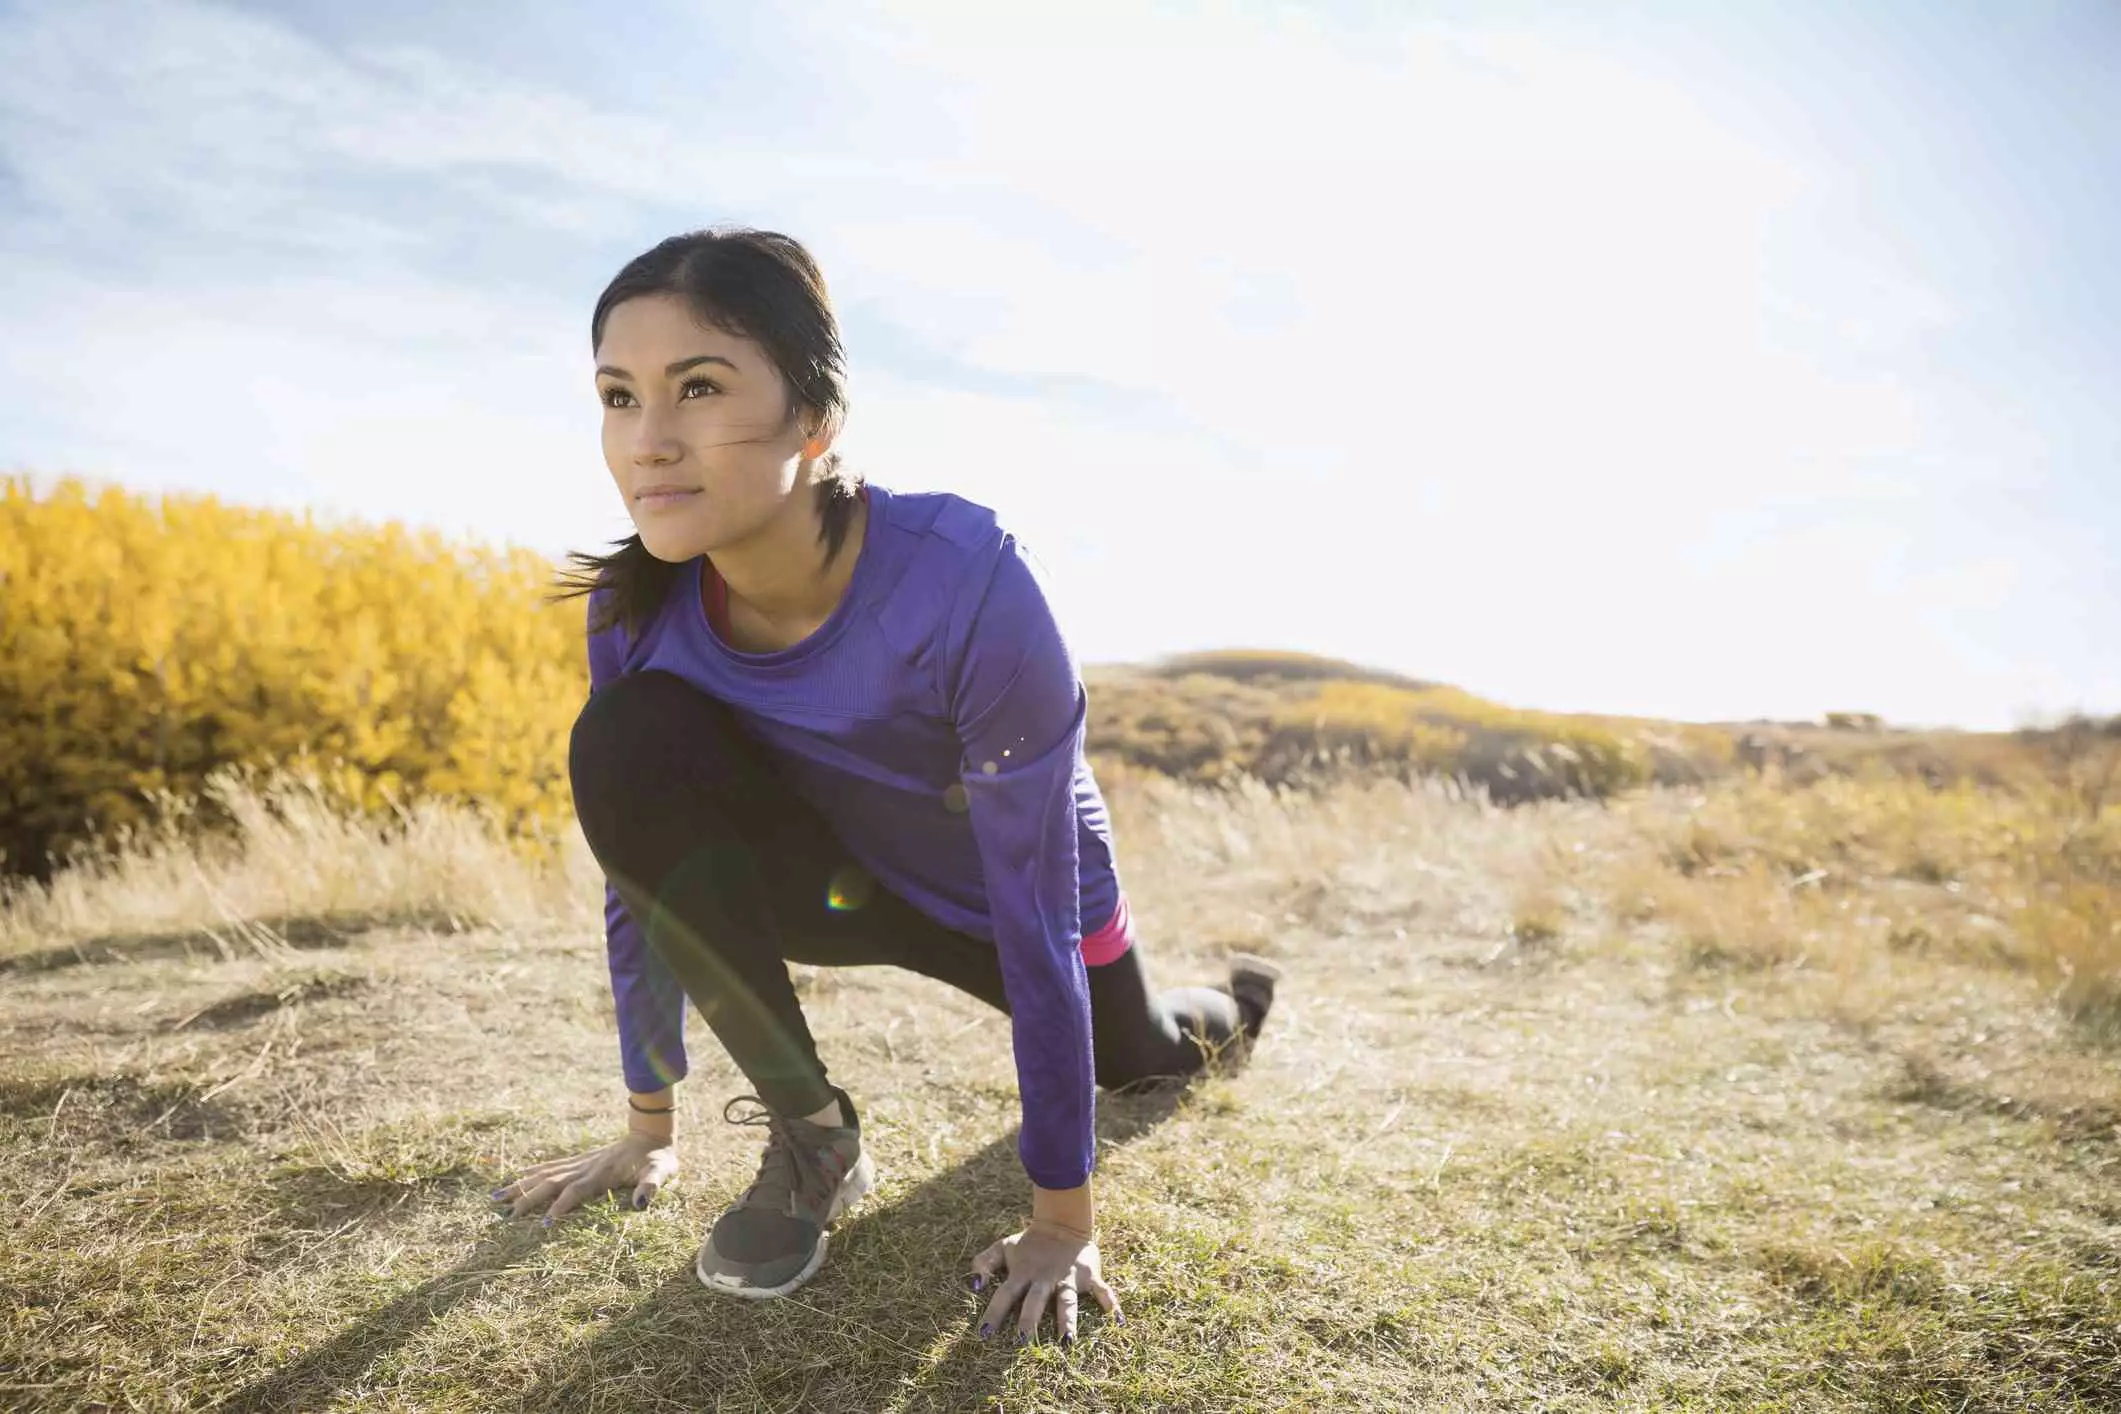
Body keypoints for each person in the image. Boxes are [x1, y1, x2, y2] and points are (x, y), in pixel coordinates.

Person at [494, 227, 1282, 1348]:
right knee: (621, 739)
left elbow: (1038, 917)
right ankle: (816, 1135)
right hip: (833, 886)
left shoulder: (968, 580)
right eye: (619, 396)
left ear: (817, 420)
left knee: (1142, 1052)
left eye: (699, 387)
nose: (649, 441)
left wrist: (1061, 1219)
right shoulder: (636, 610)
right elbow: (643, 867)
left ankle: (1237, 1000)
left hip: (1006, 900)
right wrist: (647, 1123)